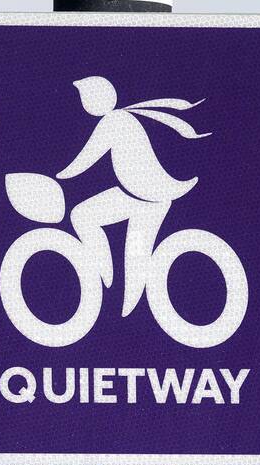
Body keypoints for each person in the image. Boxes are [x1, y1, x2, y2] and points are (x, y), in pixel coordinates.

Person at [56, 77, 210, 316]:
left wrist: (61, 176)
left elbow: (86, 158)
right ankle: (106, 276)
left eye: (85, 96)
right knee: (83, 217)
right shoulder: (123, 118)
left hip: (147, 200)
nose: (85, 102)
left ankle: (117, 292)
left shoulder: (115, 121)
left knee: (134, 254)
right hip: (134, 196)